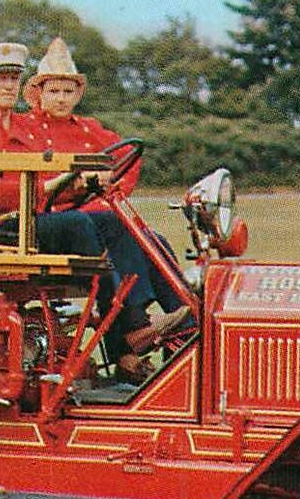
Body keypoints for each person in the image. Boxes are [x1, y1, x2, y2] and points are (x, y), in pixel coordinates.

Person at [0, 42, 187, 381]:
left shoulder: (21, 125)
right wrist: (41, 190)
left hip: (35, 215)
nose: (9, 85)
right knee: (78, 224)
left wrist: (75, 186)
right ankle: (132, 330)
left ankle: (174, 325)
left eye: (14, 78)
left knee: (116, 224)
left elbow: (50, 174)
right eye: (0, 78)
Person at [24, 37, 187, 321]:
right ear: (39, 93)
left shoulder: (89, 129)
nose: (61, 98)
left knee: (152, 241)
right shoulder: (28, 130)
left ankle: (186, 319)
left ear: (78, 95)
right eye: (53, 91)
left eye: (67, 91)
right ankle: (133, 319)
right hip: (59, 222)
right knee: (120, 235)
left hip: (96, 218)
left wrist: (110, 185)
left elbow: (127, 156)